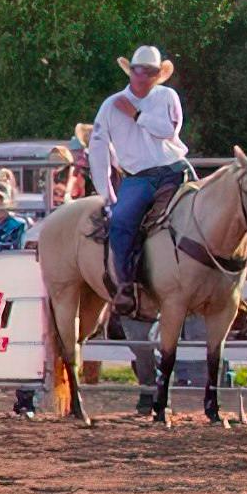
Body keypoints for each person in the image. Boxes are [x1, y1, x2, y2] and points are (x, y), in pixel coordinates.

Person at [88, 43, 188, 310]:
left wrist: (136, 115)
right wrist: (106, 192)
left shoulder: (168, 96)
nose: (142, 76)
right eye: (137, 70)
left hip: (174, 170)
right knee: (121, 222)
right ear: (130, 72)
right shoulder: (110, 106)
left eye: (149, 71)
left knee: (208, 212)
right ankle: (125, 285)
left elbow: (169, 131)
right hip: (139, 177)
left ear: (157, 75)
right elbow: (97, 150)